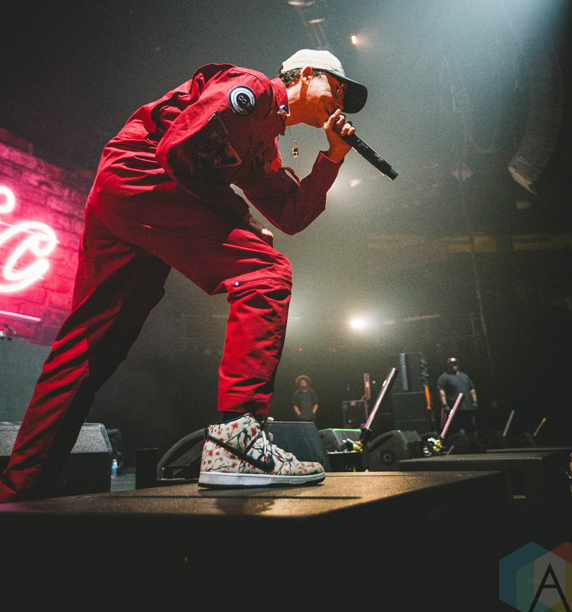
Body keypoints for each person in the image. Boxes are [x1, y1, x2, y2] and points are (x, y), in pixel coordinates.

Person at [0, 49, 367, 499]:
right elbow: (181, 150)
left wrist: (332, 157)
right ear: (306, 74)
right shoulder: (249, 90)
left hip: (125, 194)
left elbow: (290, 214)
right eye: (338, 87)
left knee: (92, 346)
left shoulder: (263, 143)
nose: (342, 101)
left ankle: (20, 486)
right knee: (266, 273)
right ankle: (238, 442)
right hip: (143, 174)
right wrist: (242, 218)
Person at [437, 357, 478, 435]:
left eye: (455, 364)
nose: (453, 366)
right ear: (448, 365)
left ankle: (472, 443)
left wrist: (475, 401)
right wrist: (445, 404)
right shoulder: (444, 377)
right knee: (456, 429)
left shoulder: (464, 376)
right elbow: (441, 391)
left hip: (467, 407)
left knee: (470, 428)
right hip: (454, 409)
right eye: (451, 364)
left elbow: (472, 389)